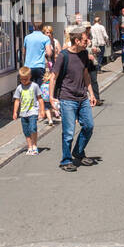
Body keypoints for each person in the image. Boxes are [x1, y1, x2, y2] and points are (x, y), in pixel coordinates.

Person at [50, 26, 96, 172]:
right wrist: (51, 98)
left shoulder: (84, 54)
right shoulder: (63, 56)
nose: (87, 41)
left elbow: (86, 74)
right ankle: (66, 160)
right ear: (76, 40)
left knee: (88, 126)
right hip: (67, 98)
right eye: (85, 39)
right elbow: (53, 77)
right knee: (69, 131)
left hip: (82, 97)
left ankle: (78, 151)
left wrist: (92, 94)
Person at [12, 66, 43, 154]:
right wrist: (15, 112)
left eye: (25, 79)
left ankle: (34, 145)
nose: (23, 81)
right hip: (23, 113)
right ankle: (29, 146)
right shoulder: (19, 88)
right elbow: (17, 100)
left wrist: (42, 110)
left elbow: (40, 98)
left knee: (33, 128)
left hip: (33, 111)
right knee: (26, 131)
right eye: (22, 79)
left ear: (30, 77)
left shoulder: (34, 86)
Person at [22, 21, 51, 90]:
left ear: (33, 27)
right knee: (39, 89)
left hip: (28, 66)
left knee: (28, 89)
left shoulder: (27, 37)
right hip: (40, 66)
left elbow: (24, 52)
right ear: (42, 28)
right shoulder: (45, 38)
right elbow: (49, 53)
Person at [39, 25, 57, 125]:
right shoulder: (42, 43)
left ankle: (55, 109)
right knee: (44, 91)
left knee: (53, 89)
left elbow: (57, 53)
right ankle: (43, 112)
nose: (48, 34)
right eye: (47, 32)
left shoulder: (54, 41)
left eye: (50, 32)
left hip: (53, 68)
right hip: (45, 68)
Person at [88, 14, 108, 104]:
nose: (88, 30)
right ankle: (88, 99)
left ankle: (96, 98)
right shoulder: (101, 27)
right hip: (85, 61)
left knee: (94, 80)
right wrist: (107, 41)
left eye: (88, 28)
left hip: (93, 60)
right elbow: (105, 36)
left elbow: (97, 48)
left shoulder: (93, 33)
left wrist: (95, 49)